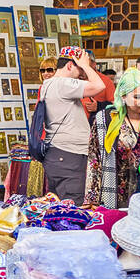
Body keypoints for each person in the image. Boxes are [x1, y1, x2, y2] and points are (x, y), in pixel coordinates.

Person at [40, 50, 105, 203]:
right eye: (80, 69)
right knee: (73, 207)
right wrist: (86, 65)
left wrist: (83, 65)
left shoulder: (48, 84)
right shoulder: (64, 84)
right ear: (70, 66)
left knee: (60, 207)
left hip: (57, 155)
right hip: (70, 156)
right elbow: (99, 85)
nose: (83, 73)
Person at [85, 68, 140, 209]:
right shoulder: (106, 120)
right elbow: (94, 161)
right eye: (137, 97)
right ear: (123, 97)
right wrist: (91, 200)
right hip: (116, 197)